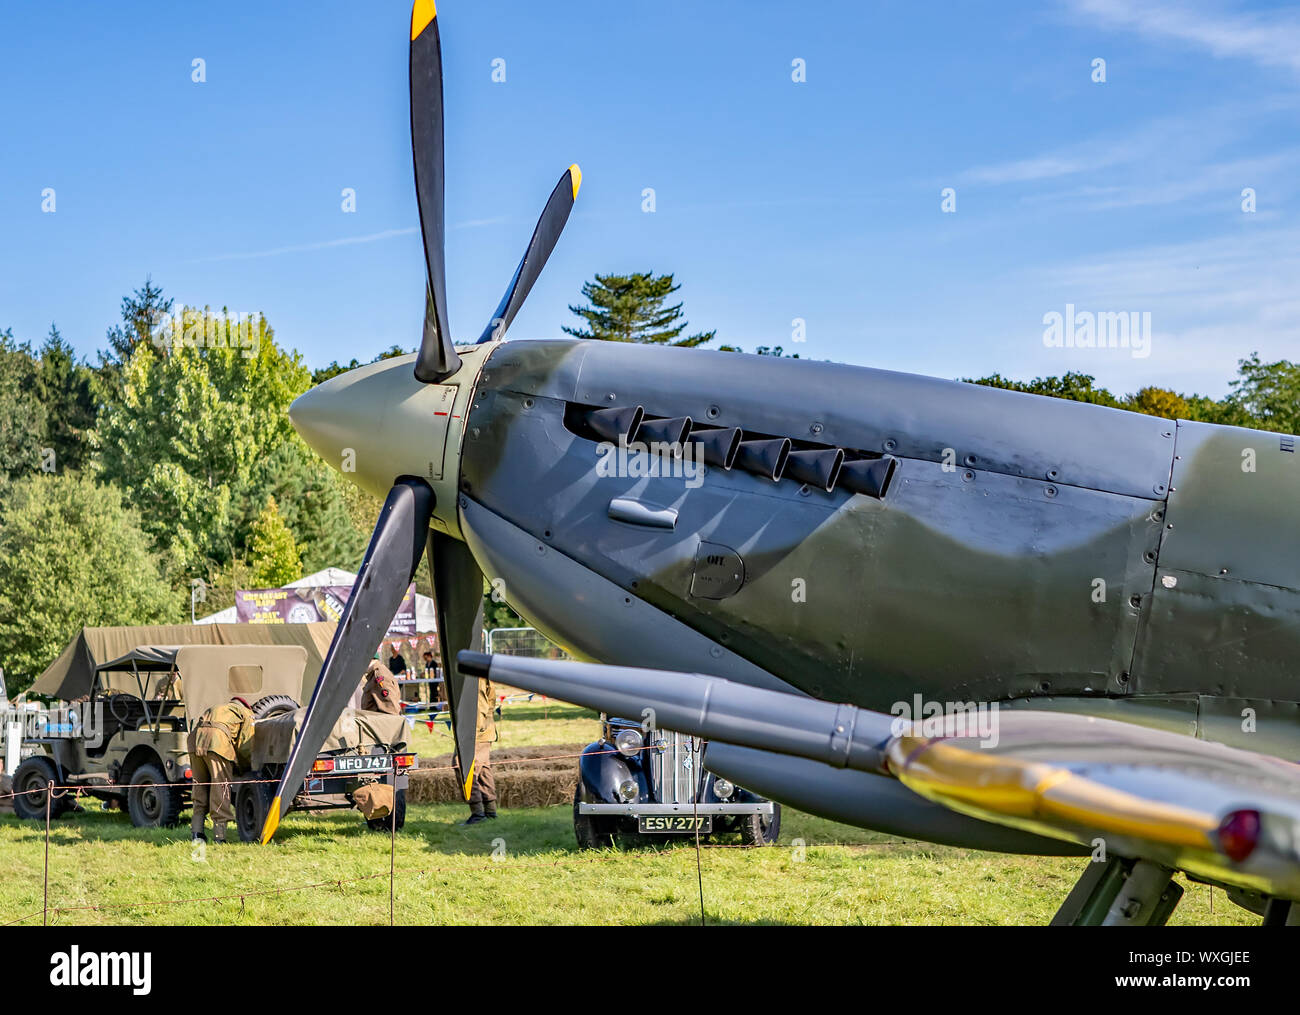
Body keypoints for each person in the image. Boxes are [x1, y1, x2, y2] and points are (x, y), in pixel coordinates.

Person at [188, 695, 255, 843]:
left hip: (195, 742)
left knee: (199, 788)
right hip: (217, 743)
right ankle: (220, 837)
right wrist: (245, 768)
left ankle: (197, 833)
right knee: (221, 790)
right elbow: (245, 746)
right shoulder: (246, 713)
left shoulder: (218, 708)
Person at [463, 676, 498, 825]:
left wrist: (472, 733)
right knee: (483, 770)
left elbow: (478, 705)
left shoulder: (473, 676)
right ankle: (490, 811)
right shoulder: (477, 672)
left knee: (462, 765)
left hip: (477, 731)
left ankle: (478, 813)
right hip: (483, 729)